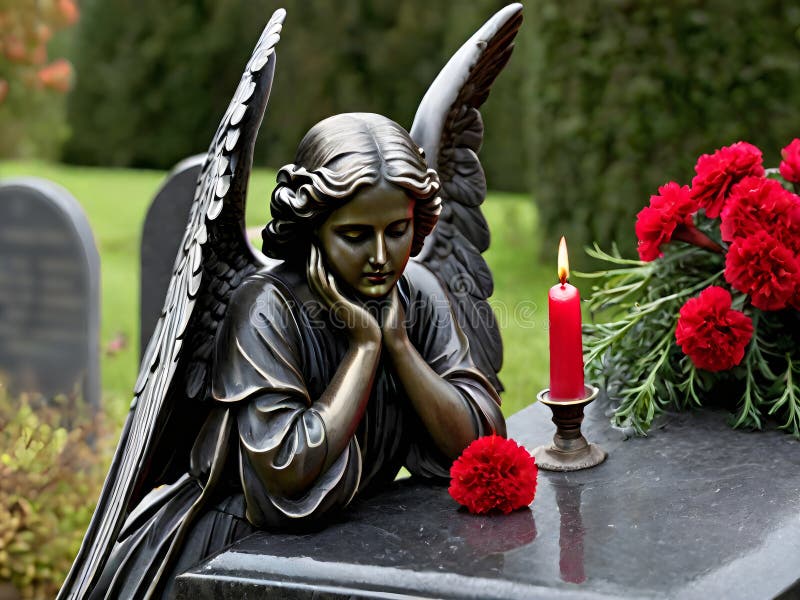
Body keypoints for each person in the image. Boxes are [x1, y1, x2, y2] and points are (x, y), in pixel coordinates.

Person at [89, 113, 505, 598]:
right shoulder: (265, 306)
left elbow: (480, 444)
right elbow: (288, 469)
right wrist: (365, 347)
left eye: (397, 230)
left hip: (350, 538)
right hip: (236, 551)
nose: (381, 256)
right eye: (354, 235)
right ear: (313, 229)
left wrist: (398, 344)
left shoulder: (419, 293)